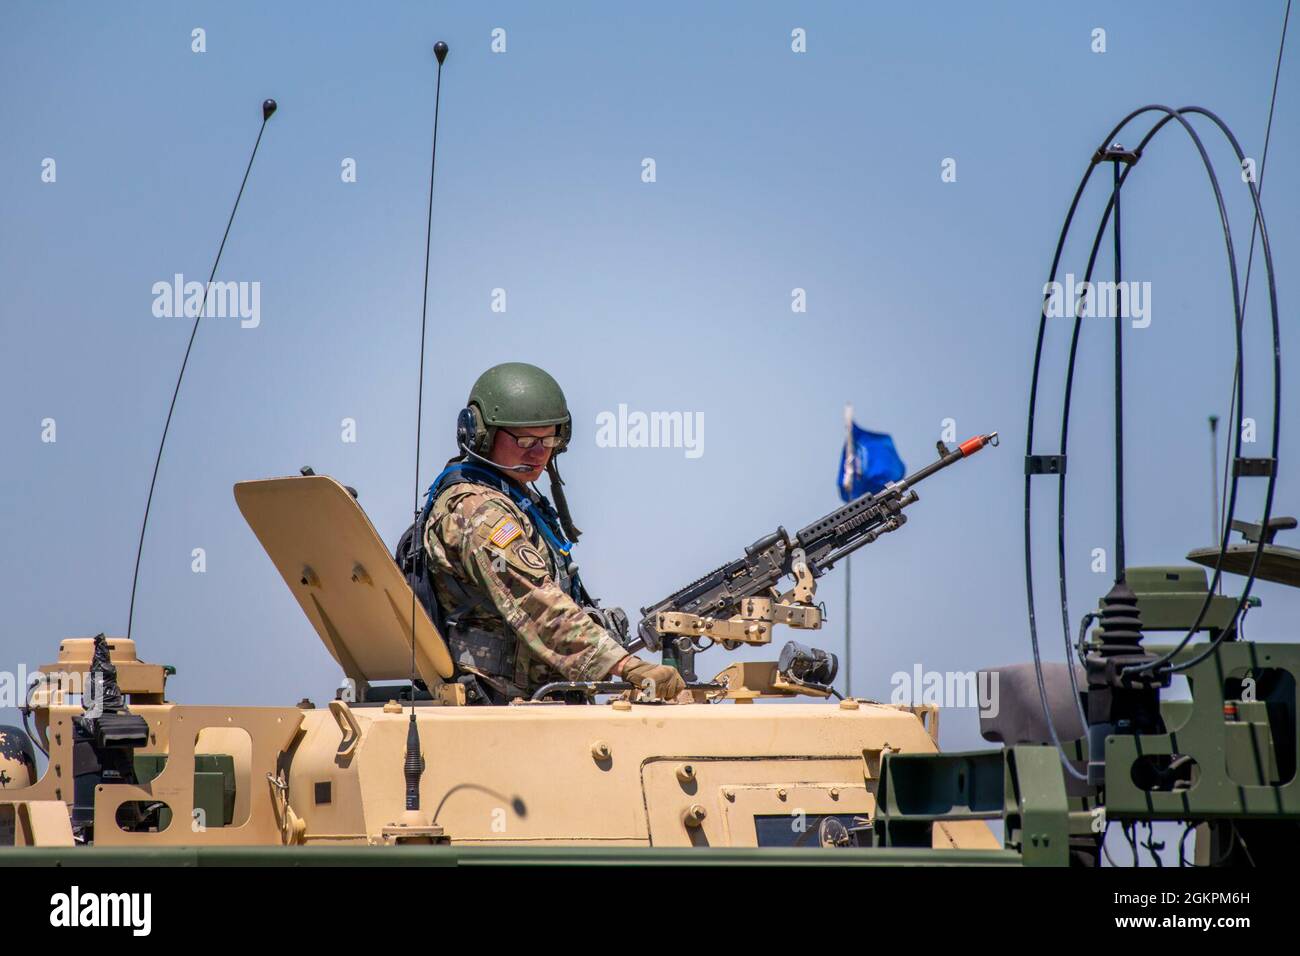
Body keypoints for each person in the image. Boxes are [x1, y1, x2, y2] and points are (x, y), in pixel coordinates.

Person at [411, 362, 685, 704]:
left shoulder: (515, 496)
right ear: (480, 435)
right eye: (525, 439)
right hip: (496, 703)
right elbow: (534, 601)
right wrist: (624, 664)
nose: (539, 453)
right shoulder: (479, 511)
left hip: (532, 698)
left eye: (550, 439)